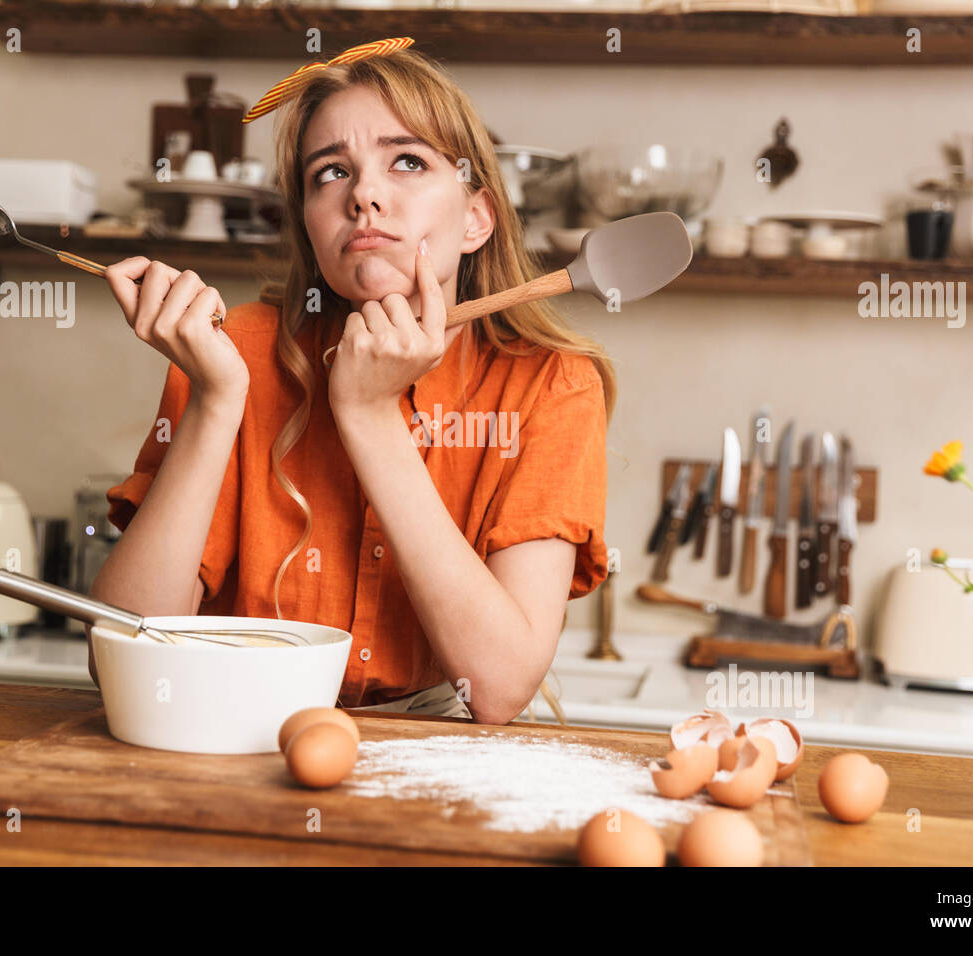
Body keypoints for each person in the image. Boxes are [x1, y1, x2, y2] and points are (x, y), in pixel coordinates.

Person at [91, 38, 615, 724]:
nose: (364, 194)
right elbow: (121, 660)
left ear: (477, 219)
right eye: (330, 173)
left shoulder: (552, 388)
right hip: (224, 734)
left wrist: (368, 417)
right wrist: (217, 402)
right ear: (310, 227)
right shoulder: (231, 354)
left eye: (407, 161)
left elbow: (497, 688)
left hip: (437, 761)